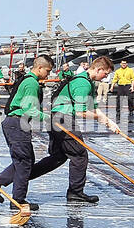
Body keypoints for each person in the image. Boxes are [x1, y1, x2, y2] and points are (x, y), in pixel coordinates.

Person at [41, 55, 114, 203]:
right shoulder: (83, 83)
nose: (106, 77)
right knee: (80, 155)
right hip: (63, 119)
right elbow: (81, 112)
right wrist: (99, 118)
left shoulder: (86, 81)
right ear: (98, 69)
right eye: (105, 73)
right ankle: (75, 192)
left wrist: (109, 122)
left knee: (58, 157)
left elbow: (93, 107)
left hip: (56, 118)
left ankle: (20, 176)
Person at [0, 54, 54, 210]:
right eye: (48, 71)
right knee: (24, 163)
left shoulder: (28, 80)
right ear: (40, 68)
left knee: (25, 160)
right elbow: (29, 109)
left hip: (15, 123)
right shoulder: (31, 83)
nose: (48, 75)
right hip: (17, 124)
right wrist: (49, 118)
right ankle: (18, 200)